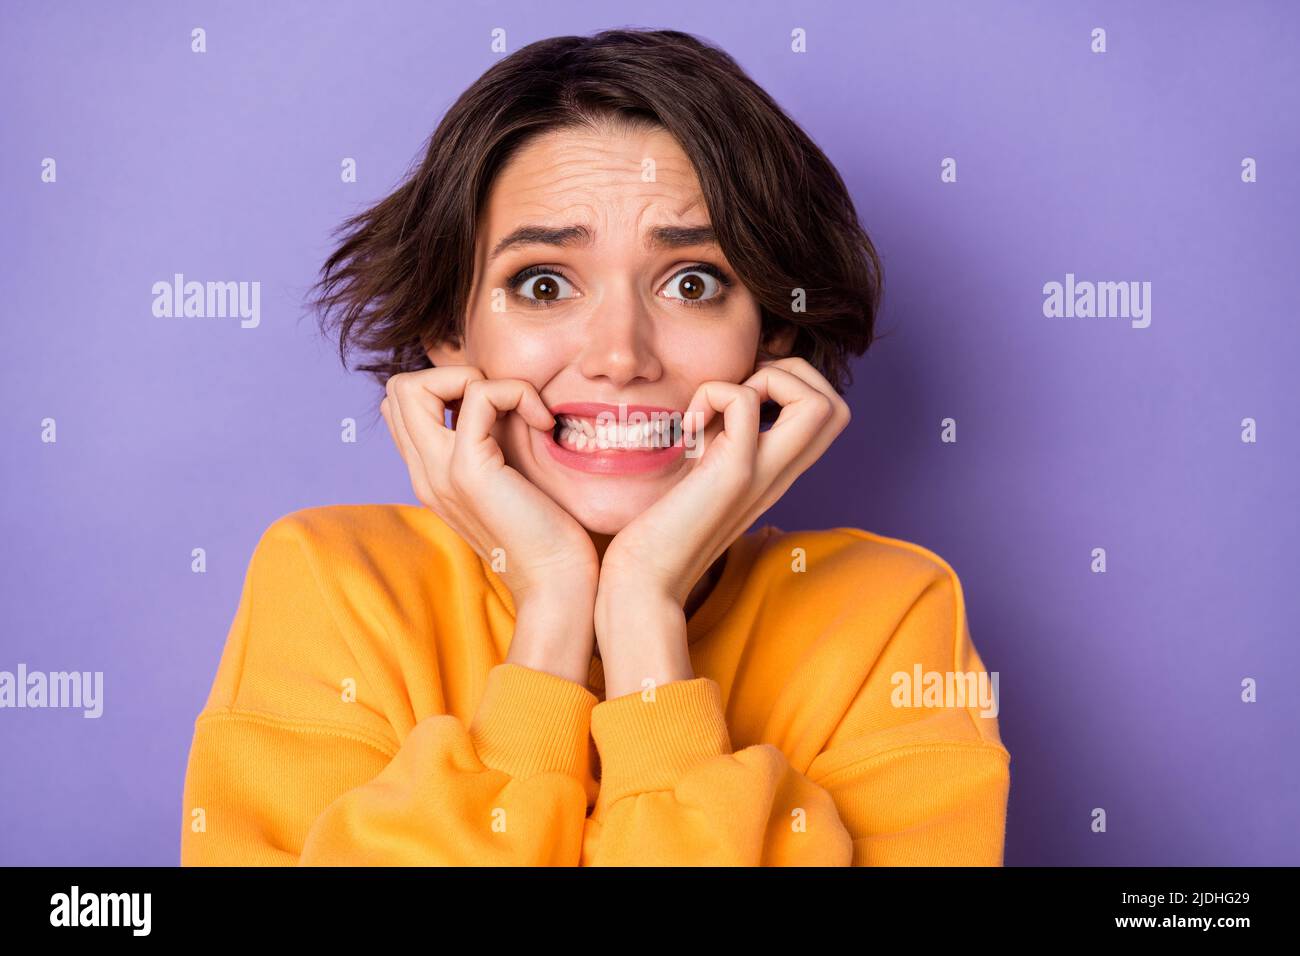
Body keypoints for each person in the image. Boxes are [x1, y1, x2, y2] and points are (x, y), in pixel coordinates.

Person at [179, 27, 1010, 866]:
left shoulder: (884, 616)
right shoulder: (336, 582)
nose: (620, 356)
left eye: (693, 282)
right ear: (448, 332)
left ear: (770, 338)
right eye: (543, 284)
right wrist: (552, 608)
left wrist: (645, 608)